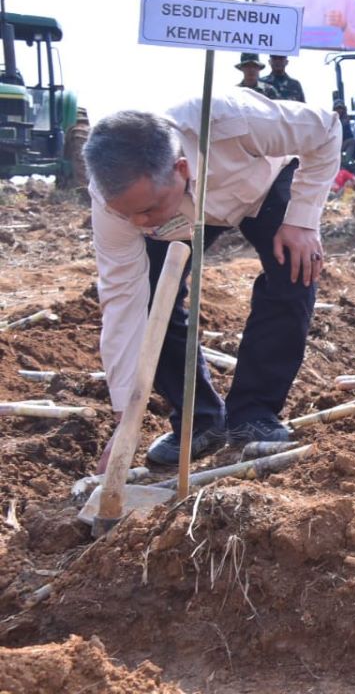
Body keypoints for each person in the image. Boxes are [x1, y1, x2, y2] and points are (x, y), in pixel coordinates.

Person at [83, 89, 340, 468]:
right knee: (154, 300)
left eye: (146, 209)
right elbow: (122, 300)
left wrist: (302, 219)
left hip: (262, 185)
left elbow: (326, 131)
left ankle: (252, 415)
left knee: (295, 272)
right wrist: (126, 419)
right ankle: (198, 421)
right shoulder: (113, 203)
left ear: (181, 170)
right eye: (128, 214)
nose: (138, 223)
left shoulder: (234, 120)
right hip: (181, 217)